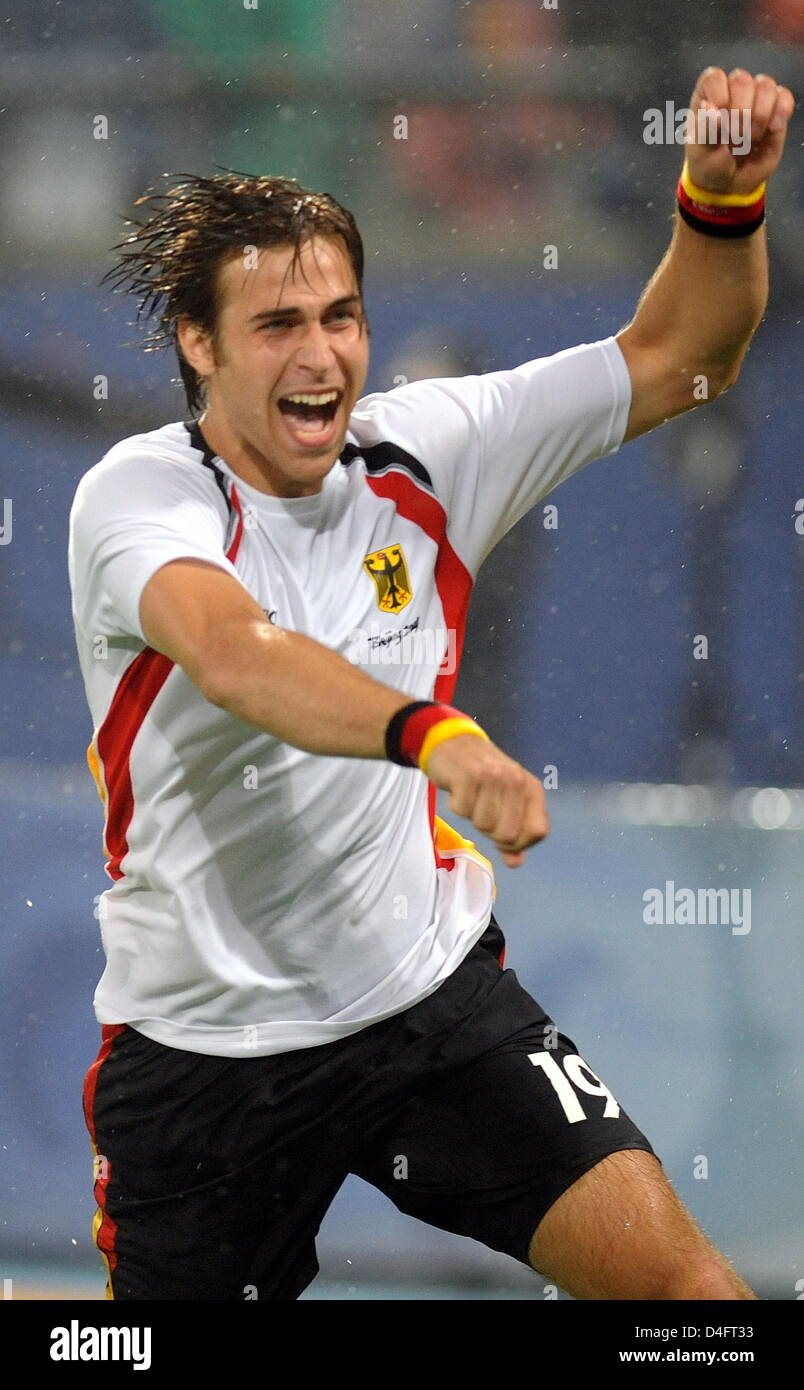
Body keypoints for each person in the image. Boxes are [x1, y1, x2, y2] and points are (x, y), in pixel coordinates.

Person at [69, 67, 793, 1300]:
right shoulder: (139, 497)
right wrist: (433, 734)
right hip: (207, 1052)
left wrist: (719, 205)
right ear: (197, 344)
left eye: (342, 317)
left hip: (430, 1007)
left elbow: (683, 356)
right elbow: (238, 654)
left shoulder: (431, 446)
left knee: (695, 1305)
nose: (324, 356)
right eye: (278, 326)